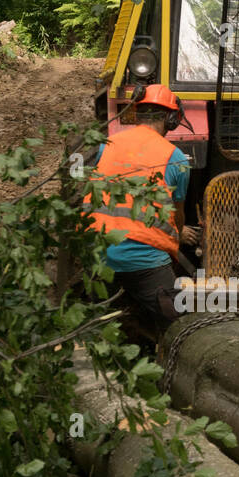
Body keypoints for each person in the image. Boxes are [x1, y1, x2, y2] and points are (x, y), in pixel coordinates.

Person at [84, 85, 200, 332]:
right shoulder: (176, 158)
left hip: (98, 254)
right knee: (181, 327)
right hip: (144, 260)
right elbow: (176, 213)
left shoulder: (106, 144)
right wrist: (180, 233)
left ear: (136, 114)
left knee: (98, 328)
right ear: (171, 119)